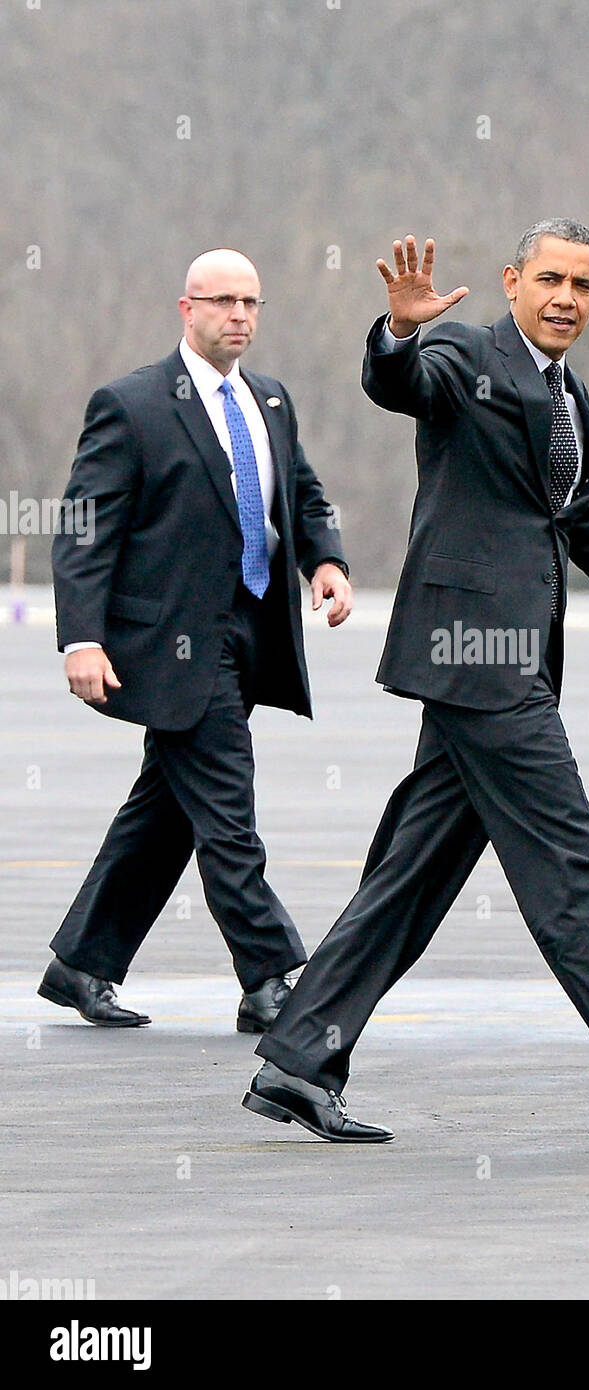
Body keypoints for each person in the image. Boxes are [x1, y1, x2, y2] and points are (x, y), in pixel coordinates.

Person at [243, 221, 589, 1147]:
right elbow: (404, 384)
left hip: (503, 662)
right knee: (568, 861)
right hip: (476, 655)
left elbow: (588, 523)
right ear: (513, 282)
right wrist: (400, 332)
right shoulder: (466, 352)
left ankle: (299, 1060)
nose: (566, 297)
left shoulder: (570, 399)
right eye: (550, 280)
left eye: (583, 285)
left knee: (411, 876)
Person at [40, 249, 351, 1034]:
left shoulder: (271, 400)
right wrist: (81, 639)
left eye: (251, 302)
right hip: (171, 645)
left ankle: (82, 964)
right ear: (187, 308)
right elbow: (83, 532)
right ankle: (272, 975)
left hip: (253, 636)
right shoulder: (133, 403)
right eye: (222, 302)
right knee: (225, 805)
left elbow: (303, 493)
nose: (238, 316)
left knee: (166, 811)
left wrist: (328, 560)